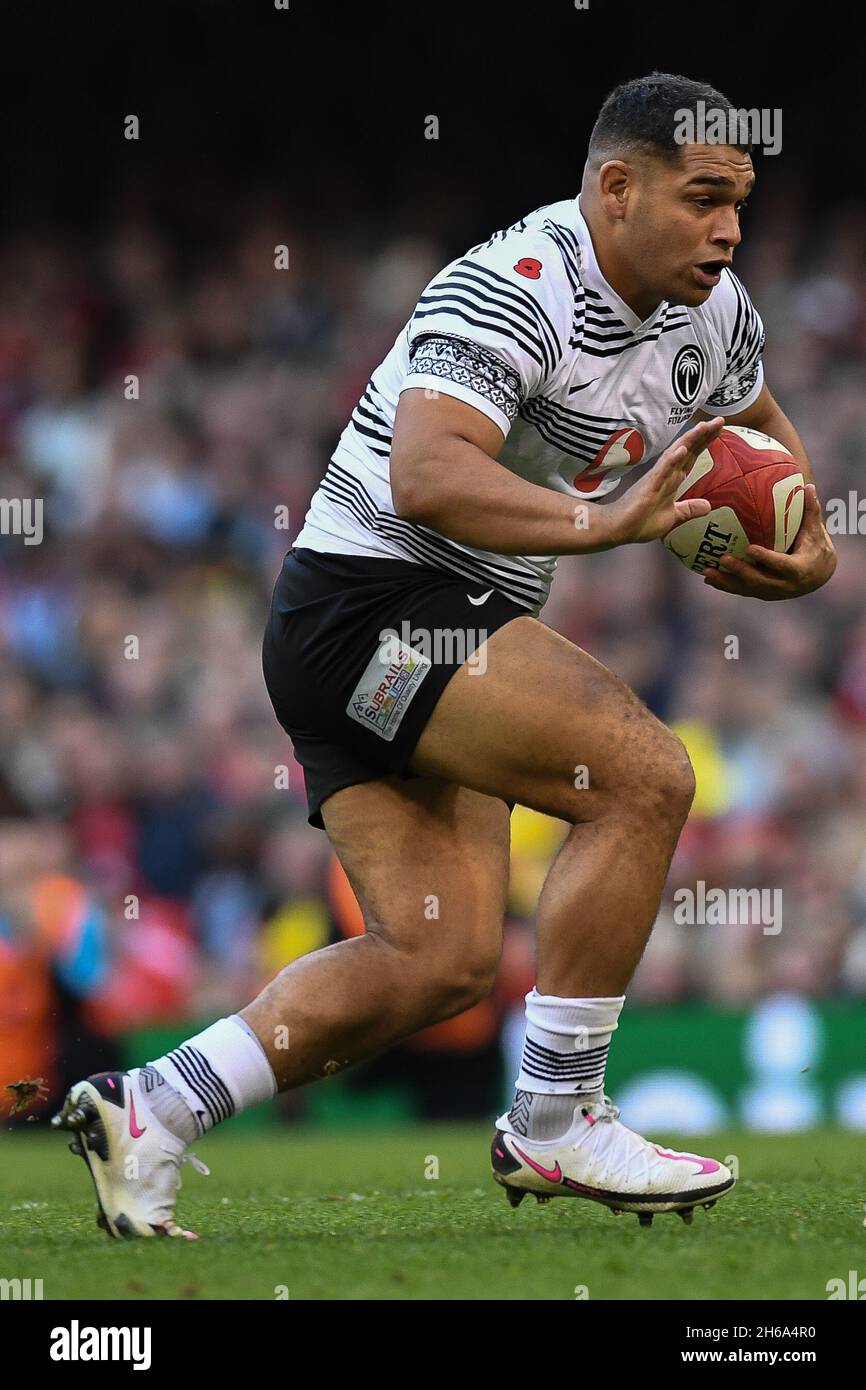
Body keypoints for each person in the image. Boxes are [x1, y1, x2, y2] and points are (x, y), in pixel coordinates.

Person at [54, 72, 835, 1238]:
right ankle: (558, 1119)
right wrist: (607, 520)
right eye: (702, 196)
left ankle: (155, 1103)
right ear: (614, 188)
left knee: (440, 957)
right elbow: (426, 471)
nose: (728, 226)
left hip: (420, 622)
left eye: (740, 200)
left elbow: (776, 458)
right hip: (370, 605)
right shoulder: (514, 285)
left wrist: (806, 552)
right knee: (646, 774)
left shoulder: (712, 314)